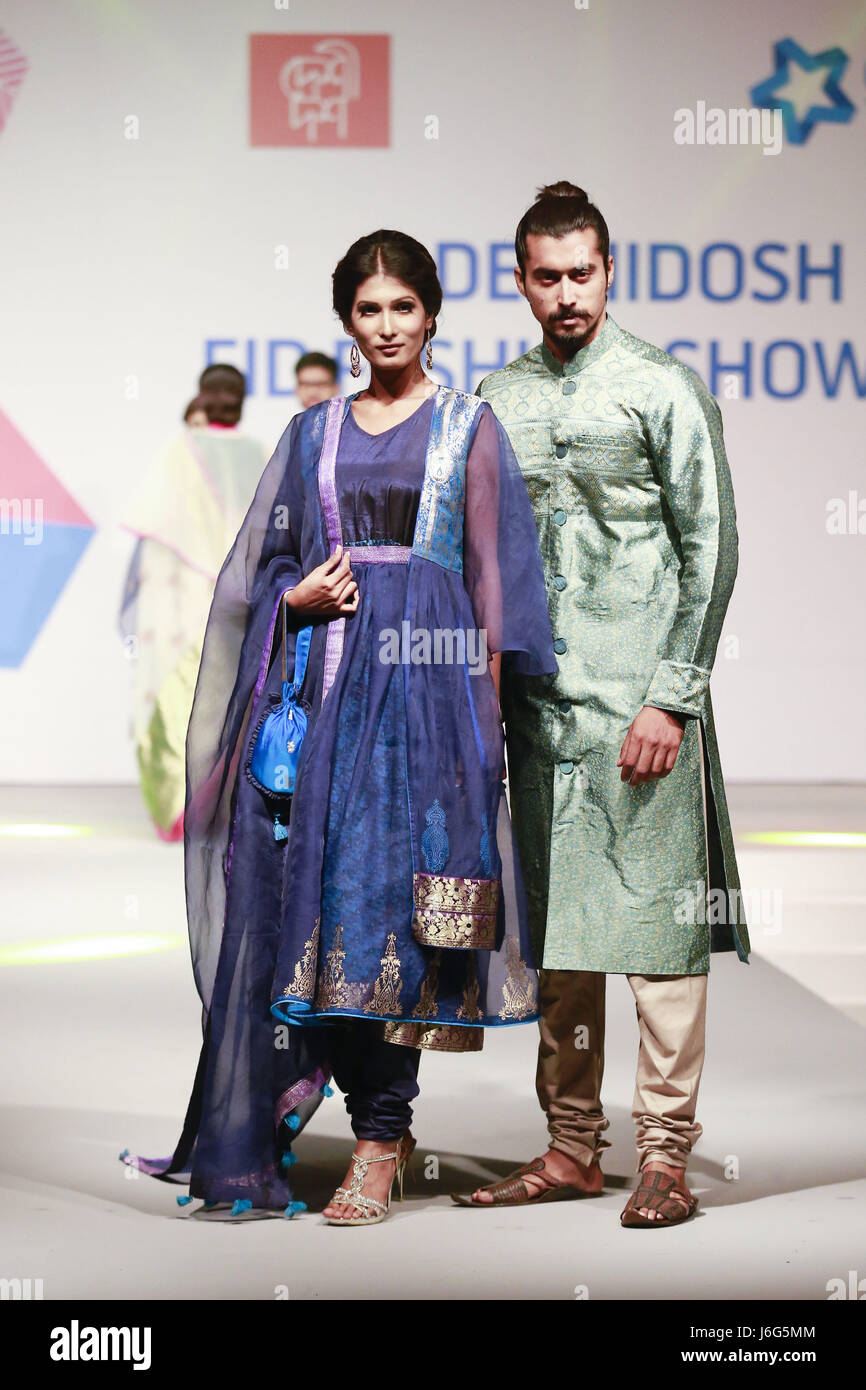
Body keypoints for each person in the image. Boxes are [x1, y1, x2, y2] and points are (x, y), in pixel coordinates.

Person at [120, 230, 556, 1225]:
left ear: (432, 315)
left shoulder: (467, 426)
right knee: (332, 906)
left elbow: (496, 581)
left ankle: (379, 1135)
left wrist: (486, 725)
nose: (387, 325)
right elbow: (250, 577)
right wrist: (295, 598)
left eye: (404, 307)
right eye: (368, 310)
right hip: (325, 702)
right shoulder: (313, 433)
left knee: (408, 916)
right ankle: (371, 1120)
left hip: (432, 707)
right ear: (346, 321)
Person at [453, 182, 750, 1228]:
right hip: (540, 714)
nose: (566, 293)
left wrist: (672, 698)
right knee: (562, 943)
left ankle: (663, 1155)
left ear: (609, 271)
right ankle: (571, 1146)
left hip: (641, 710)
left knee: (659, 942)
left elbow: (708, 548)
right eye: (546, 275)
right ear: (521, 279)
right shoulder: (496, 395)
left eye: (582, 273)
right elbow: (477, 557)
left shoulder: (661, 386)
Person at [118, 366, 266, 840]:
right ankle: (223, 807)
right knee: (230, 697)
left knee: (182, 696)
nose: (222, 399)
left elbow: (154, 543)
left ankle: (183, 808)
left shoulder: (178, 454)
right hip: (235, 604)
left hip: (182, 609)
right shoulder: (263, 453)